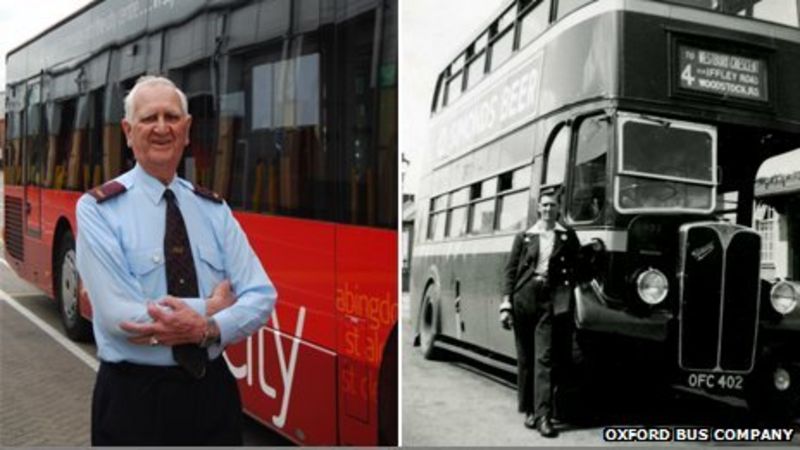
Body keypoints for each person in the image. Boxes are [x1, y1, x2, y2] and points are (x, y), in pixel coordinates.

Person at [75, 75, 277, 446]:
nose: (161, 128)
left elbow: (262, 295)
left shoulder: (213, 209)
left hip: (211, 394)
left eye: (172, 117)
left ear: (186, 131)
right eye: (149, 118)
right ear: (128, 131)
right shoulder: (98, 210)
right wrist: (210, 307)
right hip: (132, 400)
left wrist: (207, 329)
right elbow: (119, 316)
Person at [499, 191, 580, 438]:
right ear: (538, 209)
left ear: (558, 209)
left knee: (543, 357)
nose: (547, 209)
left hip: (550, 300)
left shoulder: (566, 236)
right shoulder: (524, 237)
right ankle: (530, 411)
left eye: (552, 205)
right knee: (525, 358)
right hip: (524, 298)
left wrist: (567, 291)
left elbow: (578, 265)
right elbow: (510, 272)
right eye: (544, 205)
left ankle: (544, 416)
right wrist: (505, 305)